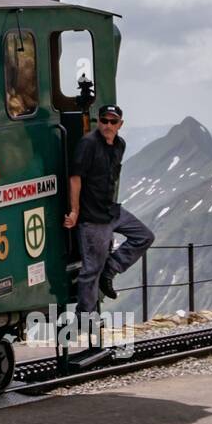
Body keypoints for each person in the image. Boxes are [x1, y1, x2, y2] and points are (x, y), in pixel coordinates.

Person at [63, 103, 154, 316]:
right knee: (90, 270)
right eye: (104, 120)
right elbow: (75, 178)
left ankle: (110, 270)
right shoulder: (88, 144)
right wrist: (75, 211)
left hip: (111, 211)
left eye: (113, 122)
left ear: (120, 125)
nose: (108, 125)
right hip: (93, 216)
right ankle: (84, 318)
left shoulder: (119, 145)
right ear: (99, 121)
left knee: (144, 236)